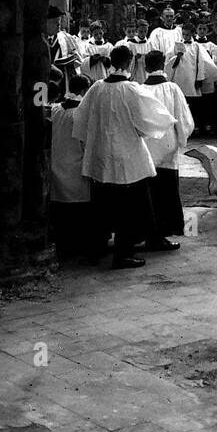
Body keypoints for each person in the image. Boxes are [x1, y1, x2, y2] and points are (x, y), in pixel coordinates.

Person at [72, 44, 176, 268]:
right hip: (127, 157)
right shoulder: (131, 89)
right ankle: (123, 253)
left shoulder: (96, 88)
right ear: (129, 63)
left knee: (103, 203)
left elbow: (81, 119)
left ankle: (98, 249)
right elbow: (153, 119)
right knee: (131, 207)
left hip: (101, 156)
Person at [141, 49, 193, 241]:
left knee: (148, 189)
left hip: (145, 146)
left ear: (145, 67)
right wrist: (182, 139)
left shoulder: (139, 89)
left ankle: (148, 230)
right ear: (163, 65)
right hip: (168, 143)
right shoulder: (172, 88)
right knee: (167, 188)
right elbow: (183, 118)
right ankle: (166, 229)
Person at [46, 72, 93, 258]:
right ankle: (79, 246)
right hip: (77, 169)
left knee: (61, 213)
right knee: (79, 213)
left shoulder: (56, 110)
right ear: (84, 90)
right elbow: (88, 144)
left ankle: (64, 245)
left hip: (57, 168)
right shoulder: (82, 114)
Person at [166, 19, 217, 132]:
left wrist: (199, 78)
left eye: (188, 34)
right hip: (179, 78)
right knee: (180, 103)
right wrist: (177, 56)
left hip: (192, 79)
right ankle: (181, 127)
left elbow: (201, 63)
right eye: (183, 34)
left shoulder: (196, 46)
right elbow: (169, 61)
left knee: (194, 104)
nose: (185, 36)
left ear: (192, 34)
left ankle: (195, 126)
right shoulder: (176, 46)